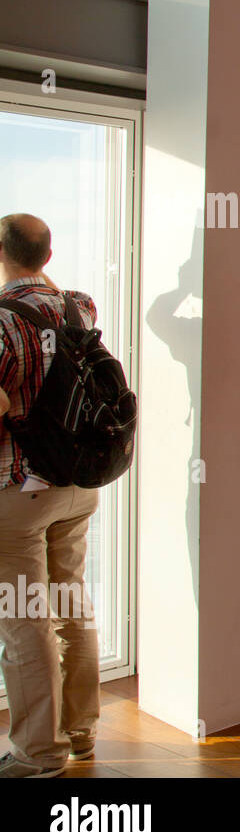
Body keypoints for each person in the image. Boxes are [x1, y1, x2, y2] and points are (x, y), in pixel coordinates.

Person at [0, 214, 101, 778]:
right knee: (68, 605)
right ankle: (81, 732)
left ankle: (38, 753)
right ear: (49, 251)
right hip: (77, 483)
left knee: (24, 620)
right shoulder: (78, 306)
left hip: (19, 490)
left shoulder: (1, 321)